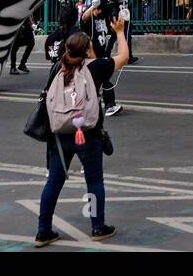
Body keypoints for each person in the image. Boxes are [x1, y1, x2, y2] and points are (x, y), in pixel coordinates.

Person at [34, 17, 130, 247]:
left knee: (54, 182)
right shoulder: (95, 67)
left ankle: (42, 231)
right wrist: (119, 32)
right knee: (94, 180)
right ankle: (98, 226)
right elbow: (124, 57)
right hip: (87, 132)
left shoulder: (58, 67)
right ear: (88, 49)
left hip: (59, 134)